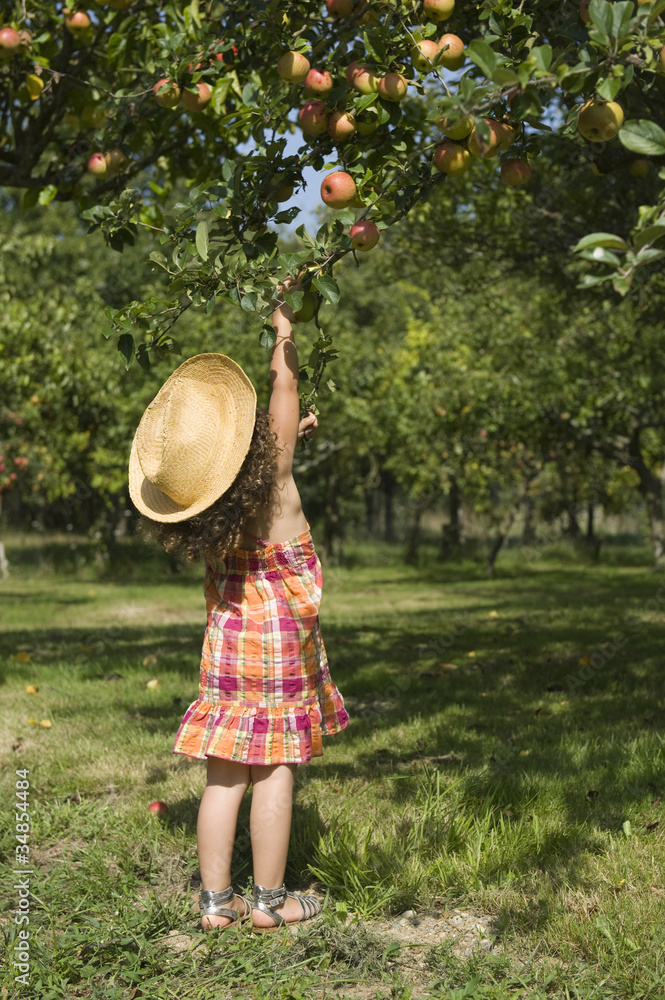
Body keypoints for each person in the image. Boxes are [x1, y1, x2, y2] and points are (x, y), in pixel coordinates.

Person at [128, 288, 349, 933]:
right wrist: (284, 322)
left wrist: (285, 439)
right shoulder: (275, 488)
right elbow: (283, 387)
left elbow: (264, 454)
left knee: (224, 774)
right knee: (275, 767)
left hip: (226, 645)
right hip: (277, 644)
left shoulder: (213, 517)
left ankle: (216, 903)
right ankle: (270, 900)